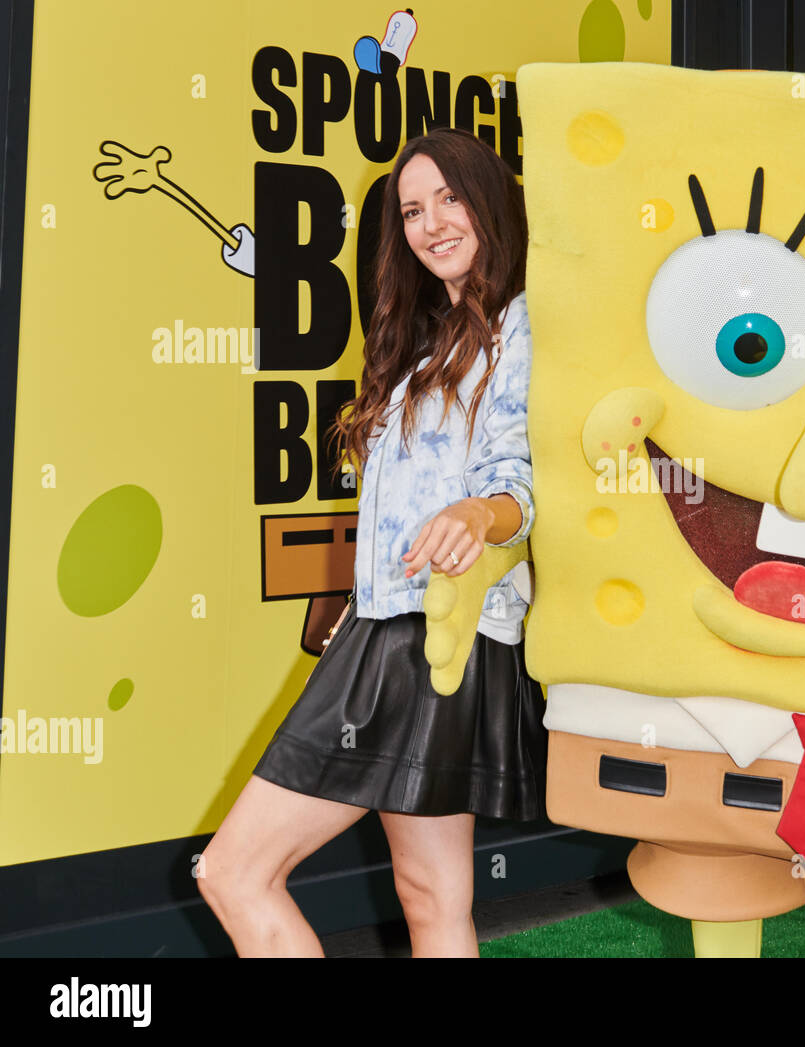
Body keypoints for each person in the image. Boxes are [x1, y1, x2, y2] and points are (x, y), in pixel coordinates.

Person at [198, 128, 545, 958]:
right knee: (431, 898)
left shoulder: (525, 325)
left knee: (233, 872)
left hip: (437, 632)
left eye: (450, 199)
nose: (431, 224)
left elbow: (520, 481)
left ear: (490, 199)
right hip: (392, 627)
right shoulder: (425, 338)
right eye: (413, 209)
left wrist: (480, 516)